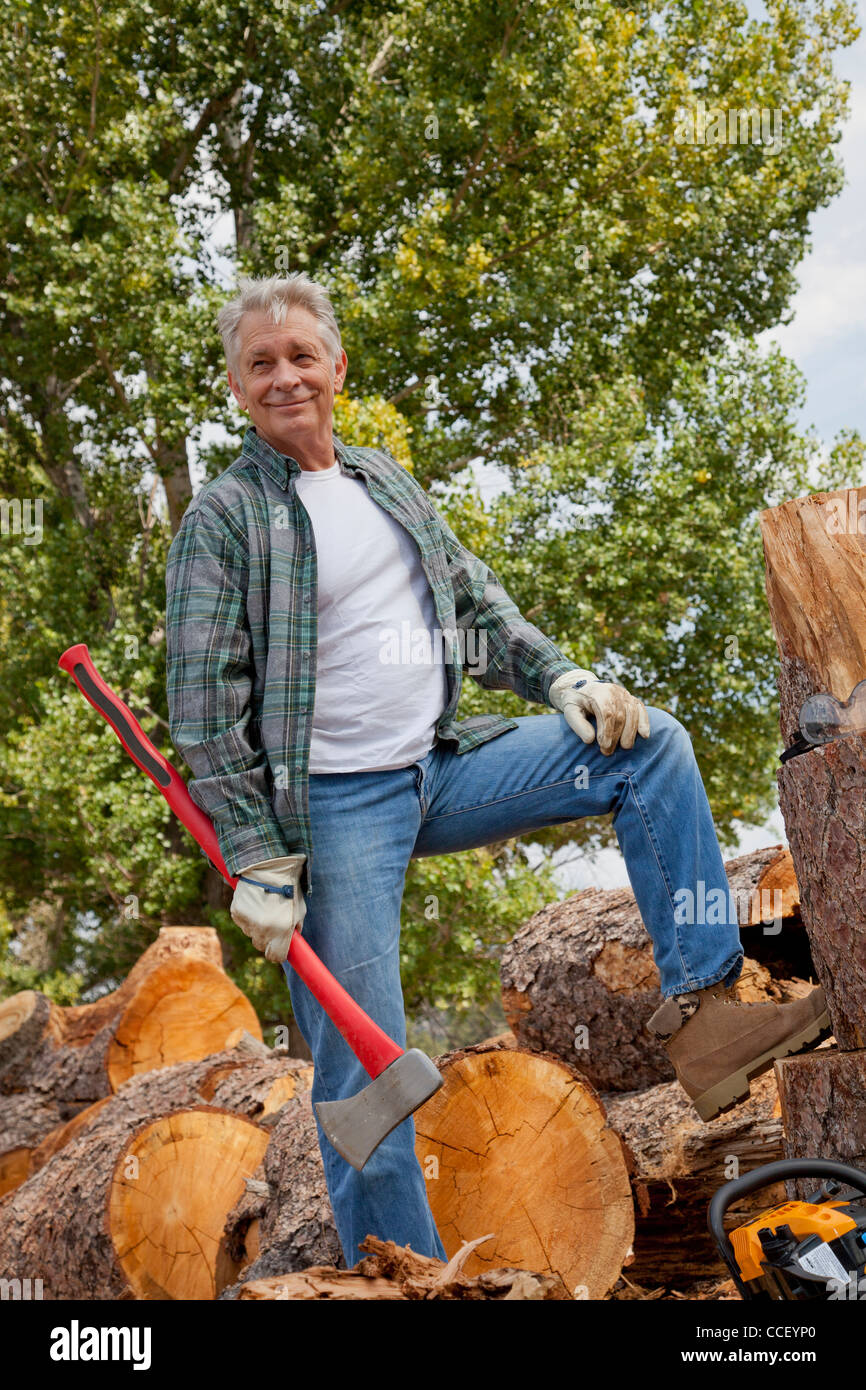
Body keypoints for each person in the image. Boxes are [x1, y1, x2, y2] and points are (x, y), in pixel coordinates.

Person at [165, 272, 830, 1269]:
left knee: (648, 746)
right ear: (234, 384)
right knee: (365, 1067)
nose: (284, 377)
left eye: (302, 355)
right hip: (334, 809)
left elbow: (473, 608)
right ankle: (415, 1277)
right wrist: (257, 857)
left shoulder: (381, 478)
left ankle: (706, 1008)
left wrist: (561, 675)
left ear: (336, 367)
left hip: (438, 767)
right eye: (260, 363)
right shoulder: (226, 517)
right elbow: (203, 703)